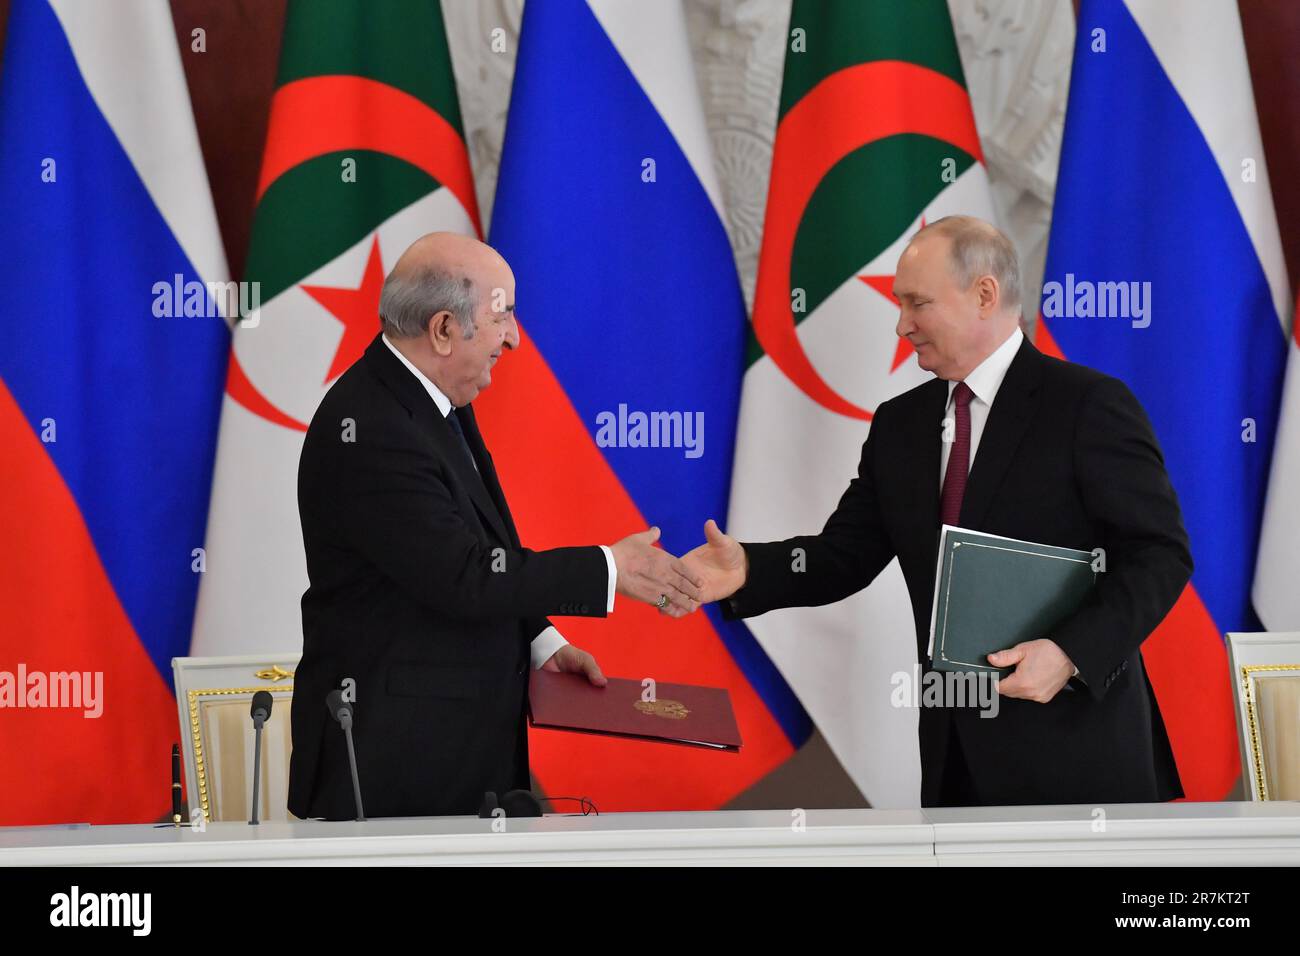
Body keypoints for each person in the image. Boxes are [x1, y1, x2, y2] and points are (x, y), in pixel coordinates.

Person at [681, 216, 1190, 807]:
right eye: (900, 304)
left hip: (1080, 756)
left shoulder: (1088, 405)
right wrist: (747, 568)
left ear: (985, 295)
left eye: (917, 303)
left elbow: (1159, 554)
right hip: (955, 760)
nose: (902, 325)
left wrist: (1070, 654)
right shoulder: (900, 425)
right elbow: (844, 556)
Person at [288, 232, 701, 819]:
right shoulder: (371, 427)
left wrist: (539, 640)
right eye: (502, 315)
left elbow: (483, 547)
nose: (514, 337)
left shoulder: (433, 403)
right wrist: (610, 568)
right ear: (443, 330)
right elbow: (462, 575)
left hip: (452, 758)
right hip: (395, 770)